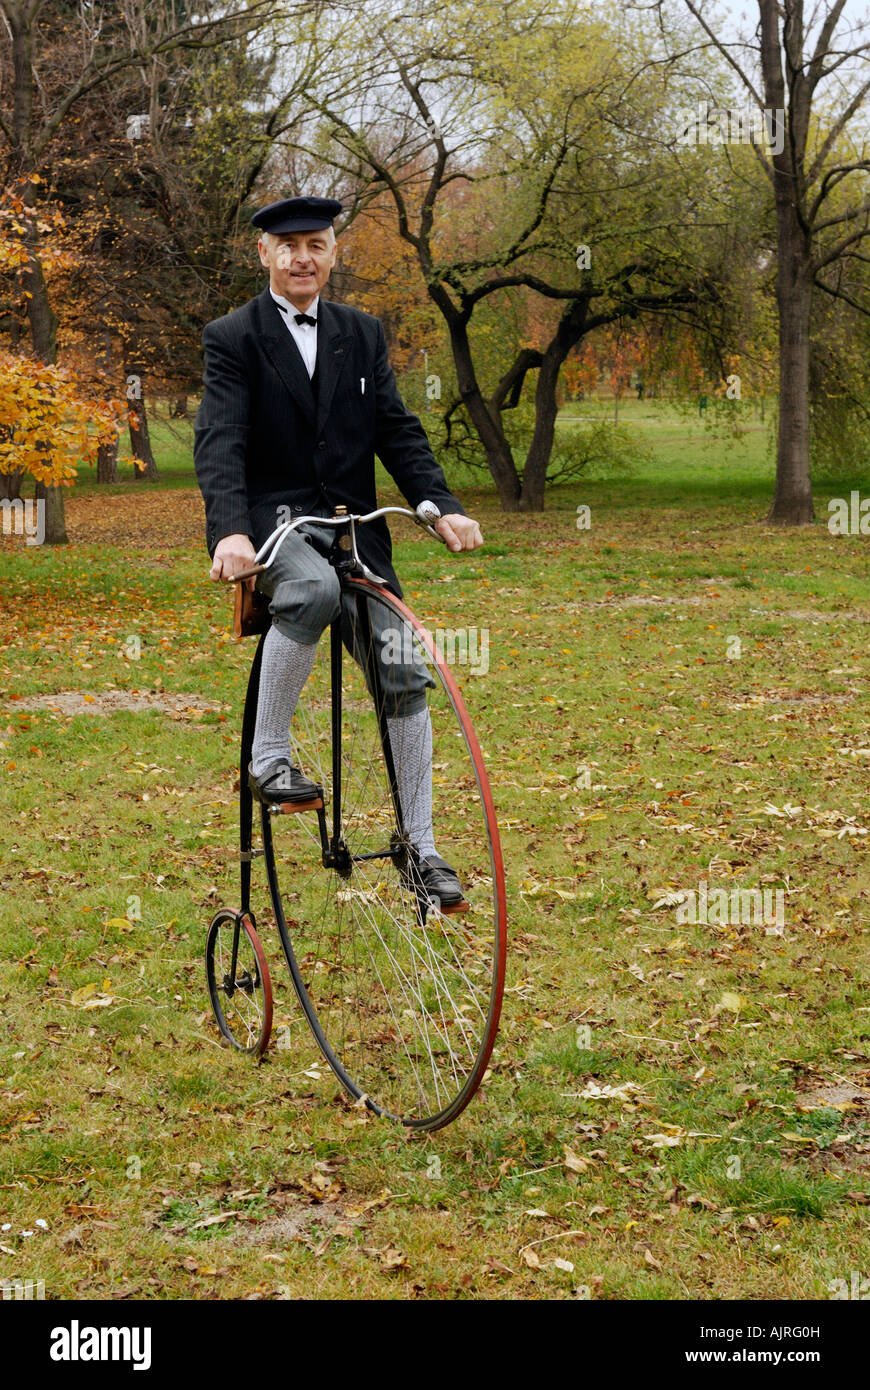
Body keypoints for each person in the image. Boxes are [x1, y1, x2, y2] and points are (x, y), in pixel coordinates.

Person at [193, 194, 483, 905]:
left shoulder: (361, 332)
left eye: (316, 244)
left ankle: (422, 846)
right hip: (276, 521)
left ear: (332, 252)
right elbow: (221, 438)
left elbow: (396, 428)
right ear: (263, 253)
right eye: (287, 245)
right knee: (313, 592)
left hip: (354, 524)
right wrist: (230, 529)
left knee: (404, 668)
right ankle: (268, 758)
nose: (302, 258)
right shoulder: (232, 336)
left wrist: (438, 504)